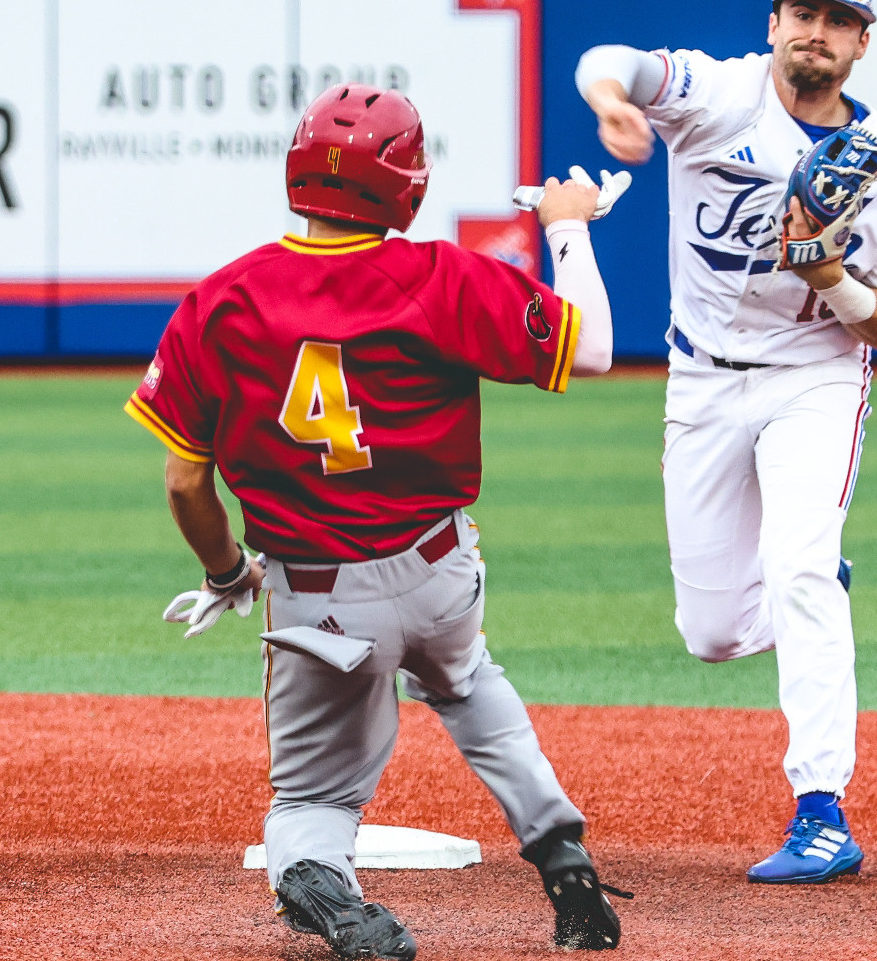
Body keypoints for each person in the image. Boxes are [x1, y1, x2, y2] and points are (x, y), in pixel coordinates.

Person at [124, 84, 628, 958]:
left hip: (318, 599)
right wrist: (567, 223)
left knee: (311, 801)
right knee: (470, 685)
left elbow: (182, 483)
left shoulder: (221, 300)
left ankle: (329, 892)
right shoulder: (444, 276)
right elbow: (590, 349)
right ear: (406, 183)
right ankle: (563, 858)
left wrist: (223, 570)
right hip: (437, 570)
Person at [573, 0, 877, 884]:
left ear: (860, 43)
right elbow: (609, 57)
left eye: (835, 18)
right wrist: (613, 102)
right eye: (798, 12)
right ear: (772, 23)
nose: (813, 29)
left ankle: (821, 810)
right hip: (698, 381)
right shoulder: (719, 95)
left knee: (799, 564)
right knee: (713, 634)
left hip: (813, 377)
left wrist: (829, 275)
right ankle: (813, 580)